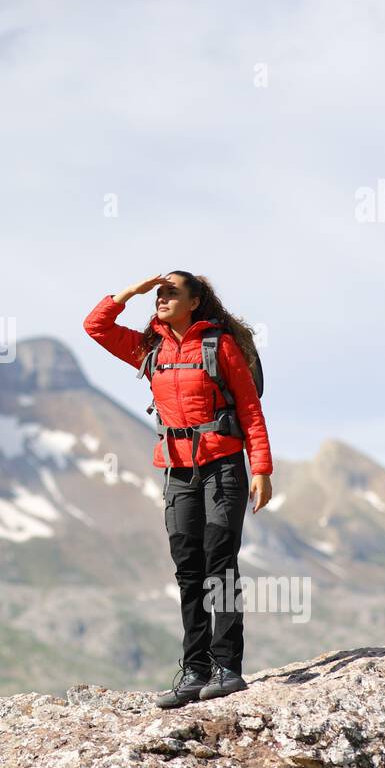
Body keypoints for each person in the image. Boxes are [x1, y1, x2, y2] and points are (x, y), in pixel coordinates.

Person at [82, 272, 273, 708]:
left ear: (195, 301)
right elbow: (96, 327)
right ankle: (195, 670)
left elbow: (249, 408)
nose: (161, 299)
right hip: (177, 471)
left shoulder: (219, 346)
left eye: (171, 293)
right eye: (158, 294)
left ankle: (227, 668)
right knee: (188, 568)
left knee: (219, 561)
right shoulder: (150, 348)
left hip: (223, 465)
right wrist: (127, 293)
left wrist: (260, 467)